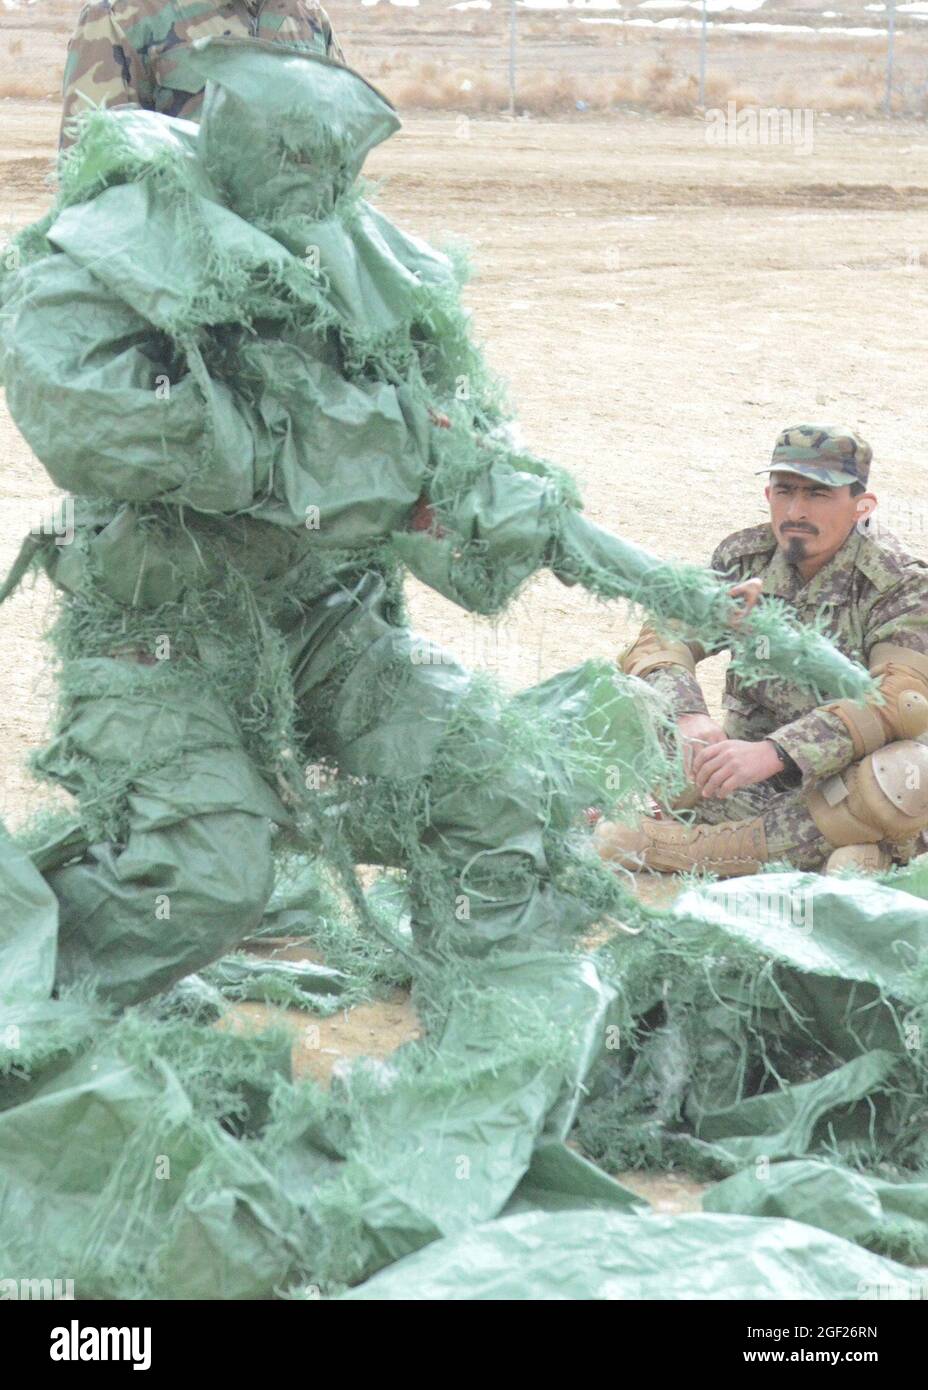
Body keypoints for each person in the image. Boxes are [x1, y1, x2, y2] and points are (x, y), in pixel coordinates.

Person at [596, 425, 928, 877]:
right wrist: (687, 712)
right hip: (746, 781)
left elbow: (902, 700)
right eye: (785, 491)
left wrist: (778, 751)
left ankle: (676, 848)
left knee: (909, 774)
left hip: (848, 786)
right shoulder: (745, 559)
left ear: (861, 507)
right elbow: (662, 638)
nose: (796, 510)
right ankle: (851, 856)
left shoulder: (900, 584)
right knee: (631, 695)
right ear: (768, 493)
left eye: (819, 495)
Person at [58, 0, 344, 148]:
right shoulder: (123, 15)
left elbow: (342, 139)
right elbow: (90, 168)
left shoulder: (309, 17)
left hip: (297, 248)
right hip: (181, 248)